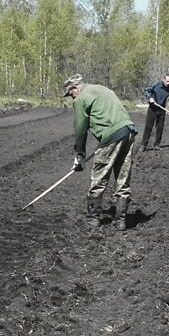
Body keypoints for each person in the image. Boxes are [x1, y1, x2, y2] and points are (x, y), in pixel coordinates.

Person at [63, 73, 137, 231]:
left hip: (111, 136)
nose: (71, 98)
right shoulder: (102, 89)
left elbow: (80, 130)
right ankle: (121, 221)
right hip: (128, 131)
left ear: (75, 88)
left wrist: (79, 156)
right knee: (123, 178)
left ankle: (93, 219)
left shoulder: (81, 99)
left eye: (70, 94)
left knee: (99, 177)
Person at [140, 74, 169, 151]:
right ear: (163, 79)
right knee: (148, 127)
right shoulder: (156, 85)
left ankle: (156, 145)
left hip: (161, 110)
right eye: (167, 81)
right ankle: (144, 145)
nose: (168, 83)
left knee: (160, 128)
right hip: (152, 109)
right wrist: (150, 98)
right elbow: (147, 91)